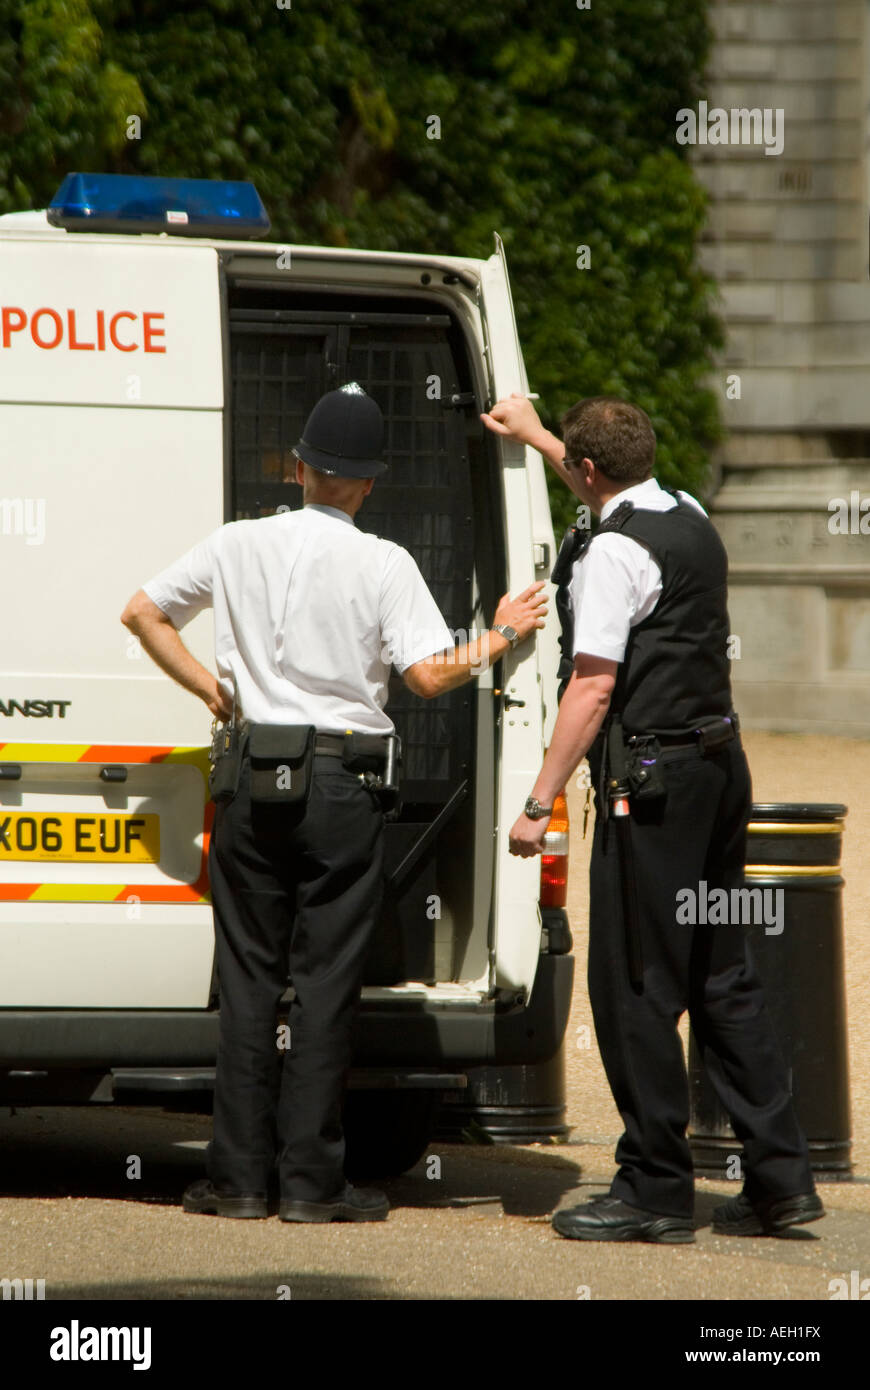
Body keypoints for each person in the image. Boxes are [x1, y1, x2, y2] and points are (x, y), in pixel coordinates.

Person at [121, 382, 546, 1223]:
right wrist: (501, 634)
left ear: (301, 468)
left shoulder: (236, 543)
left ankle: (237, 1182)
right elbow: (427, 675)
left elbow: (141, 612)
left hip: (249, 779)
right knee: (324, 986)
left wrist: (217, 693)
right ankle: (313, 1186)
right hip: (341, 787)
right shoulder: (384, 562)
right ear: (369, 483)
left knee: (246, 980)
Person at [482, 393, 823, 1243]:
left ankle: (653, 1189)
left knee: (635, 982)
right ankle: (781, 1180)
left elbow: (593, 687)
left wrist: (538, 800)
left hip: (655, 787)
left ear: (587, 471)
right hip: (719, 770)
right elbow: (602, 476)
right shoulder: (690, 514)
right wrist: (534, 434)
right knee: (720, 975)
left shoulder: (611, 554)